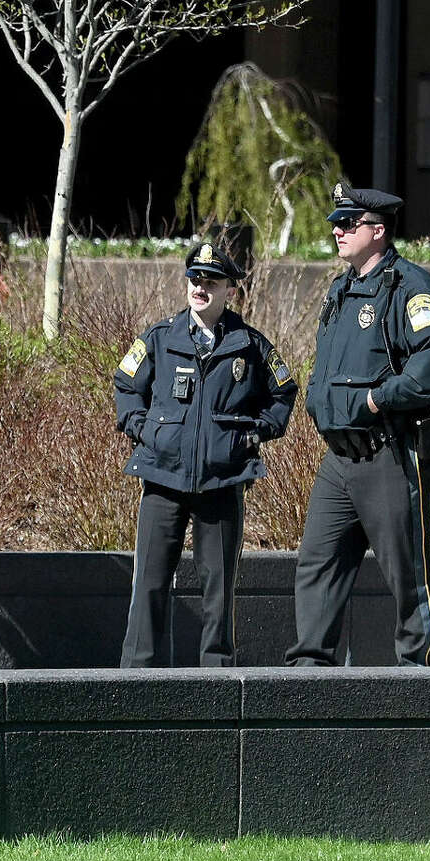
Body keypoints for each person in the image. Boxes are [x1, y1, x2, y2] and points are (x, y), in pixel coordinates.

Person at [287, 184, 430, 668]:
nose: (338, 231)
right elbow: (325, 366)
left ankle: (417, 672)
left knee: (406, 570)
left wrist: (375, 399)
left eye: (348, 224)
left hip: (389, 451)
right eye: (336, 224)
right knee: (316, 565)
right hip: (339, 458)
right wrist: (318, 403)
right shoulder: (339, 290)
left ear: (378, 231)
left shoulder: (410, 287)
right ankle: (308, 672)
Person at [114, 240, 297, 667]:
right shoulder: (160, 338)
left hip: (222, 480)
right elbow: (126, 385)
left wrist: (252, 435)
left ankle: (218, 676)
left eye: (211, 282)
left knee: (219, 588)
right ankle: (135, 674)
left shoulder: (250, 345)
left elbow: (283, 392)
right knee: (149, 583)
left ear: (230, 289)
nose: (200, 288)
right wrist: (143, 429)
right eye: (194, 279)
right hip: (163, 476)